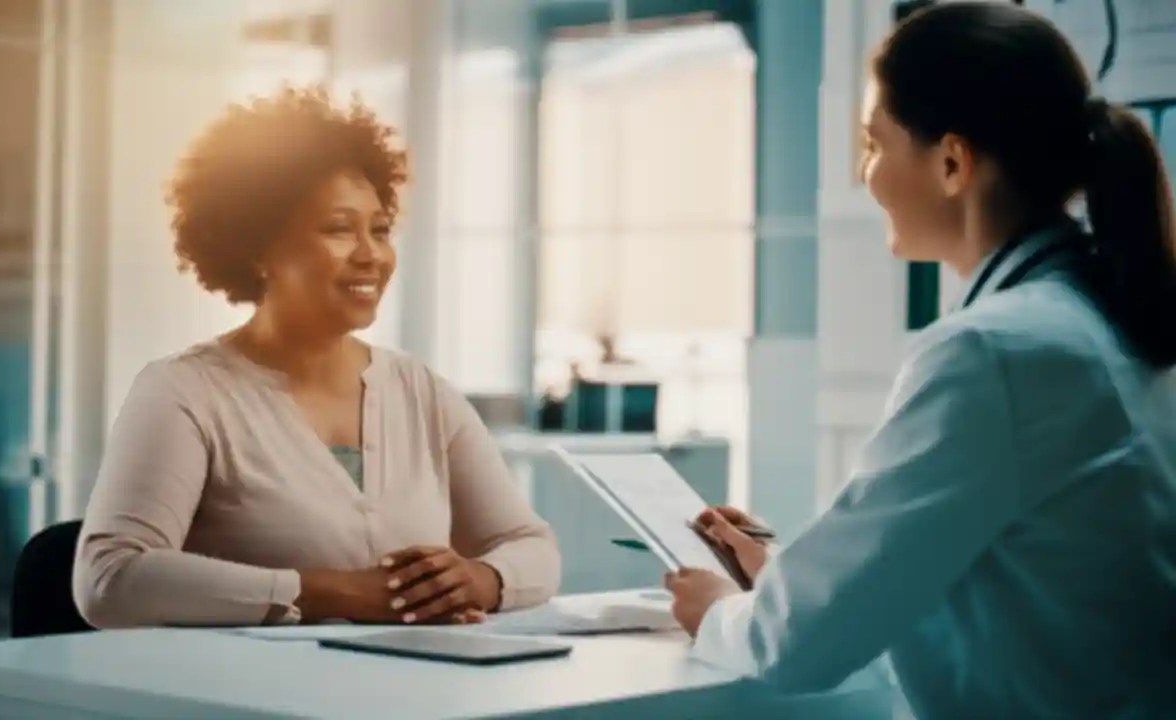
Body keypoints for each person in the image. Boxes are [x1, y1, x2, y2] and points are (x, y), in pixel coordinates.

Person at [665, 3, 1176, 718]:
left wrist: (721, 611)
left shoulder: (990, 353)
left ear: (951, 162)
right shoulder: (1100, 321)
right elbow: (986, 570)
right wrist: (786, 573)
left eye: (875, 144)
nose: (864, 172)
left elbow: (796, 645)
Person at [72, 87, 560, 629]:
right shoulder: (183, 392)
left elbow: (529, 546)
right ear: (257, 248)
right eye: (338, 229)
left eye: (379, 230)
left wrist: (480, 580)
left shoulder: (420, 391)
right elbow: (109, 580)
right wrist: (327, 592)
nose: (370, 254)